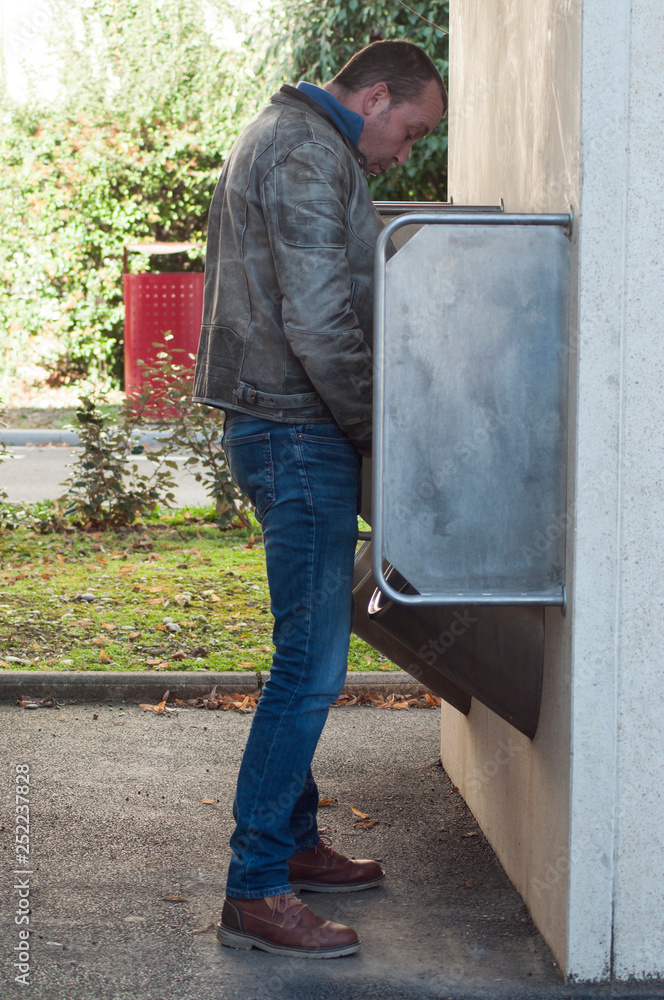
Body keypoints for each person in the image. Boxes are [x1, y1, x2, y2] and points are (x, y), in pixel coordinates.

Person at [193, 39, 447, 959]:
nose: (407, 152)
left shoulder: (295, 138)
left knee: (302, 652)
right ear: (374, 95)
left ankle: (291, 844)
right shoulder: (303, 150)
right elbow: (319, 317)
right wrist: (380, 435)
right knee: (310, 667)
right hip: (297, 431)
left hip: (286, 425)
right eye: (411, 129)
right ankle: (256, 888)